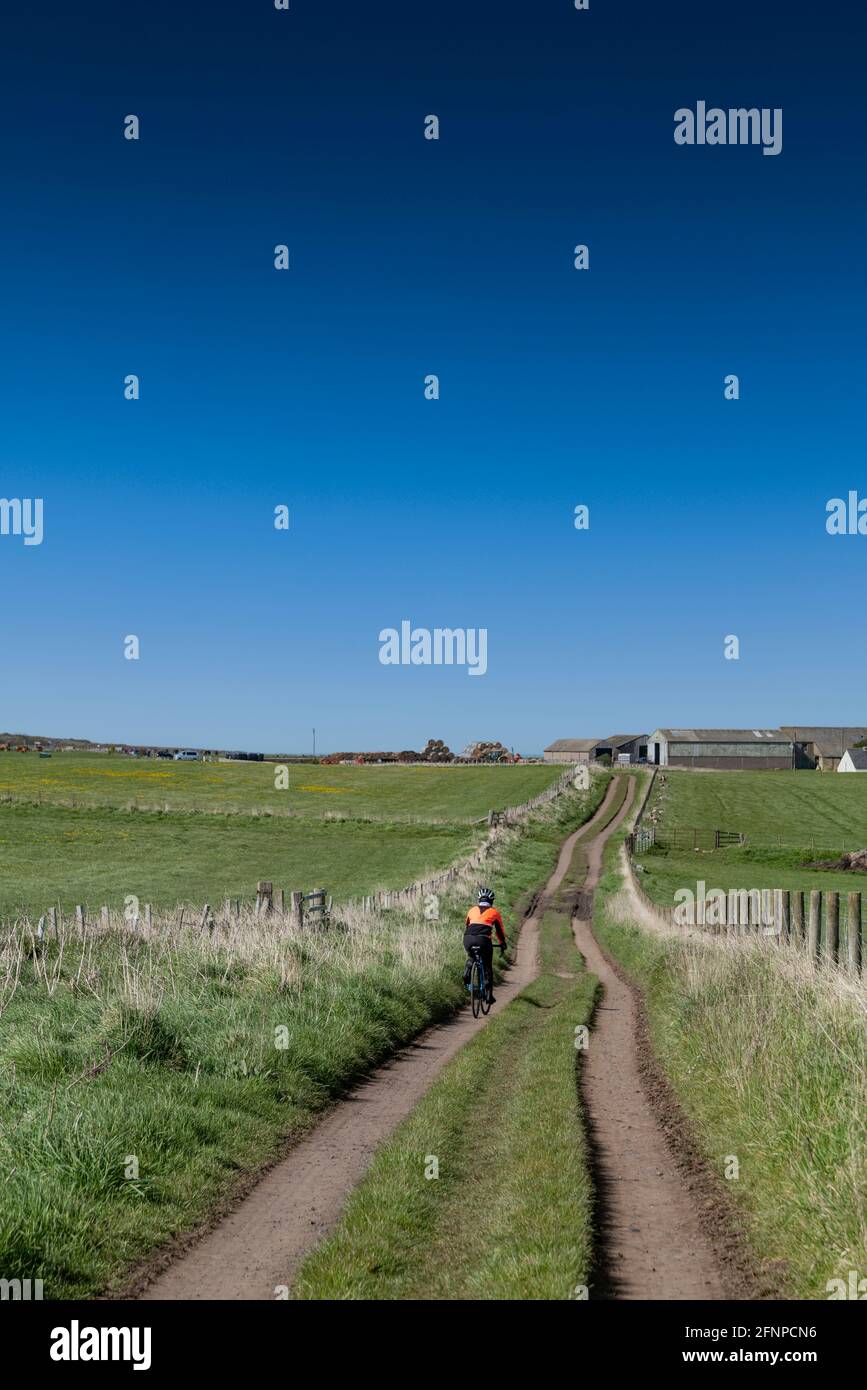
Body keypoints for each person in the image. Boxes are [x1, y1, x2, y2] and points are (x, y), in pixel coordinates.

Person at [464, 886, 507, 1003]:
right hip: (483, 941)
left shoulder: (471, 910)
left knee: (472, 955)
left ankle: (468, 969)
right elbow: (500, 931)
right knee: (487, 966)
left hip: (467, 938)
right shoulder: (494, 912)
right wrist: (502, 943)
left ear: (479, 900)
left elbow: (468, 926)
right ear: (491, 901)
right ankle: (489, 996)